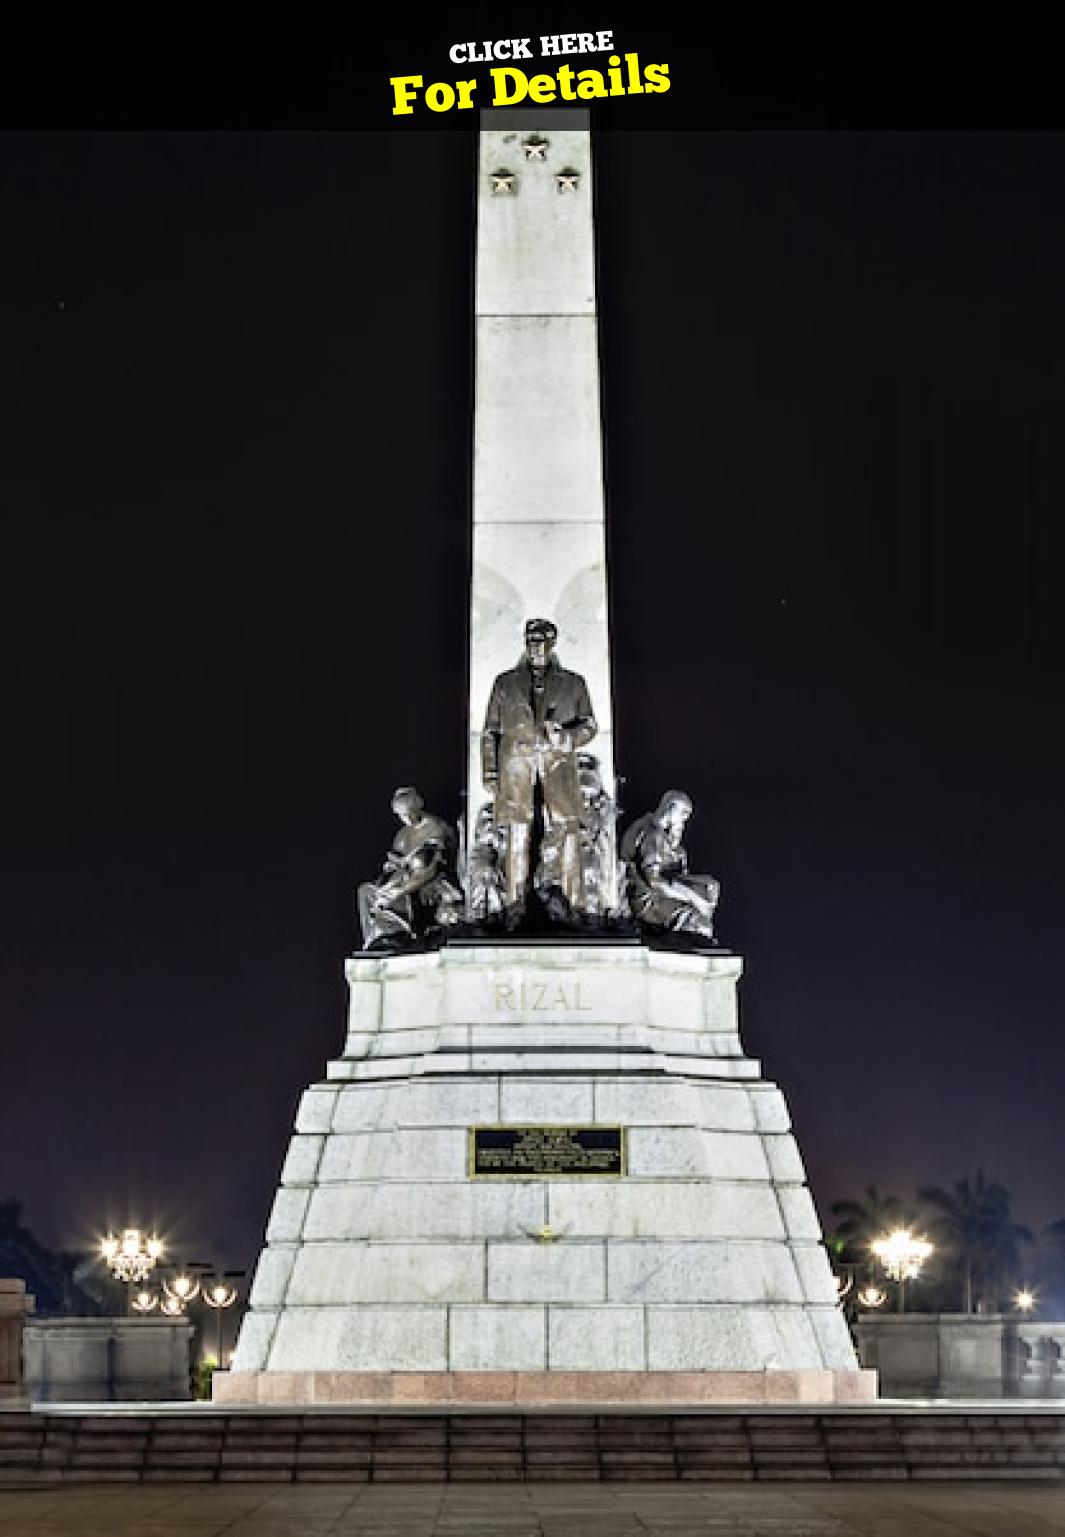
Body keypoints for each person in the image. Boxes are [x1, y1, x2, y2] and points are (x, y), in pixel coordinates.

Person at [481, 618, 597, 923]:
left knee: (568, 831)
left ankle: (575, 908)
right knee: (518, 835)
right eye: (532, 638)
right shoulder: (505, 682)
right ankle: (515, 908)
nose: (537, 644)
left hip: (557, 765)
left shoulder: (574, 682)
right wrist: (490, 773)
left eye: (543, 638)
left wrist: (568, 739)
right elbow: (490, 730)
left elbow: (590, 725)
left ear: (553, 642)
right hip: (516, 768)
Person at [357, 786, 463, 948]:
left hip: (430, 882)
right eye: (401, 816)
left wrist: (397, 891)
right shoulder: (402, 835)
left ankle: (398, 934)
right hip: (404, 878)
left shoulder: (436, 828)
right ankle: (377, 936)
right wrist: (387, 885)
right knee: (366, 891)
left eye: (408, 813)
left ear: (417, 806)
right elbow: (393, 865)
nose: (406, 819)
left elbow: (431, 868)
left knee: (406, 883)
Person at [620, 790, 719, 940]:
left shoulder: (672, 844)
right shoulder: (653, 835)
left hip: (664, 895)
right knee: (700, 926)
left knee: (710, 890)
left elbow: (679, 875)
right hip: (649, 899)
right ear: (671, 809)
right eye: (683, 814)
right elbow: (653, 881)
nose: (684, 821)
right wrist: (692, 898)